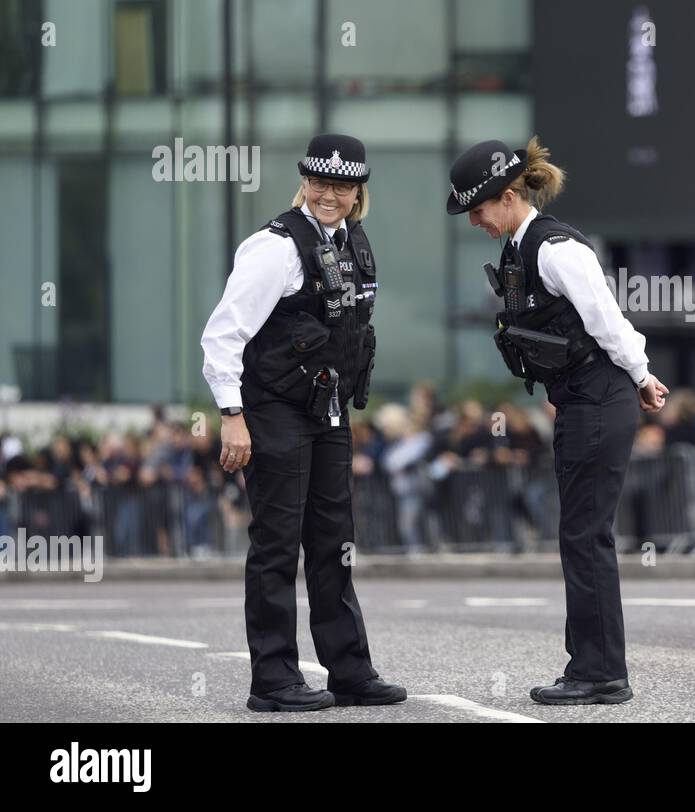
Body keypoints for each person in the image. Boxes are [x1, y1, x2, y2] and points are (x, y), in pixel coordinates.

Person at [446, 135, 668, 706]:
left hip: (600, 399)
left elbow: (607, 320)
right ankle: (592, 666)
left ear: (508, 195)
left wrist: (642, 376)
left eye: (478, 209)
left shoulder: (554, 248)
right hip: (581, 400)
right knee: (581, 535)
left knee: (585, 536)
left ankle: (599, 674)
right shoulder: (522, 249)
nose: (475, 222)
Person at [201, 133, 404, 712]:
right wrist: (232, 416)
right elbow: (222, 335)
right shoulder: (275, 247)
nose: (328, 194)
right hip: (273, 412)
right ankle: (272, 680)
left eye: (340, 185)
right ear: (305, 182)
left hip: (328, 411)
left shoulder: (352, 243)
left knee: (334, 543)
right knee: (276, 545)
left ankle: (350, 671)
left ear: (357, 190)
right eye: (319, 182)